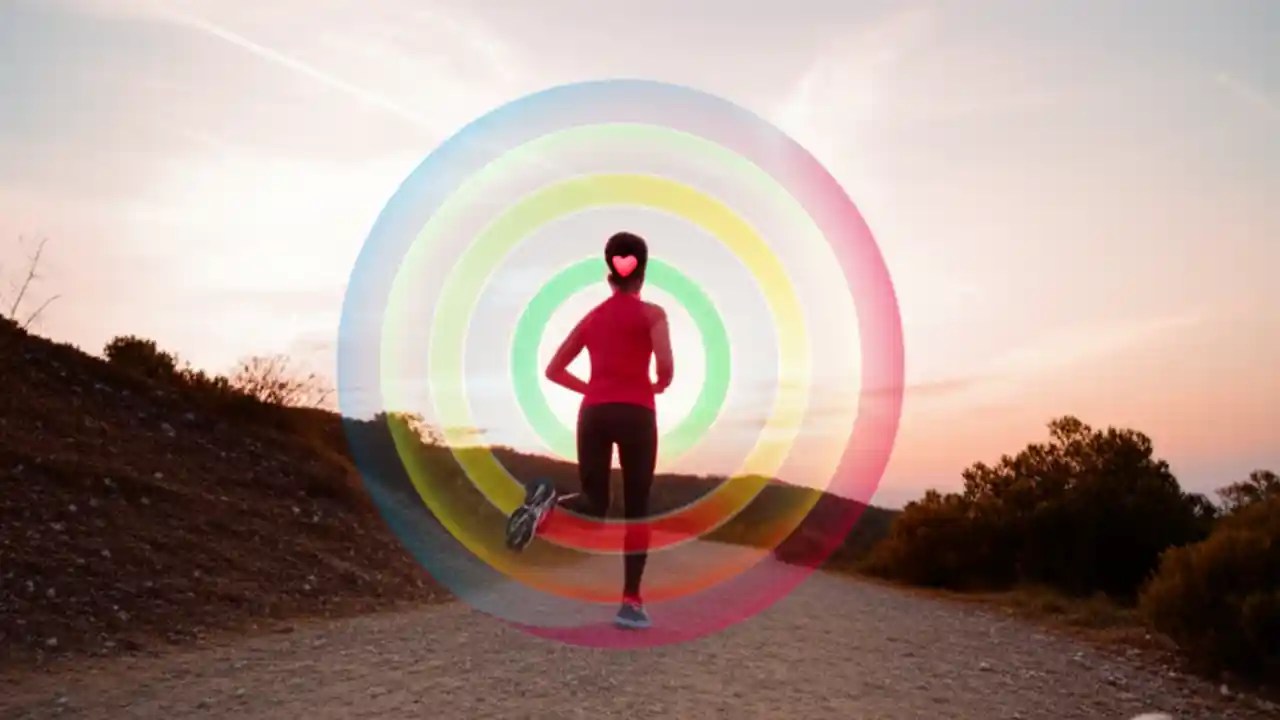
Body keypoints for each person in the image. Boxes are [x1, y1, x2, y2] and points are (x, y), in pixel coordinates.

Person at [504, 231, 673, 630]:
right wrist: (656, 385)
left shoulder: (592, 317)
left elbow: (553, 369)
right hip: (637, 415)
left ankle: (546, 505)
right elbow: (666, 369)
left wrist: (594, 390)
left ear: (608, 272)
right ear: (641, 272)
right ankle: (630, 602)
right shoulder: (653, 314)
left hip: (593, 413)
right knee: (636, 510)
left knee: (595, 501)